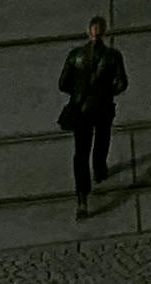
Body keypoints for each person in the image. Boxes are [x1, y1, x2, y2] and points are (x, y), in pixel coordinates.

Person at [58, 15, 127, 213]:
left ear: (88, 32)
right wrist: (105, 93)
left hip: (81, 110)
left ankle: (82, 196)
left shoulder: (75, 55)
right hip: (103, 107)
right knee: (102, 139)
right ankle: (99, 169)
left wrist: (78, 93)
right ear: (104, 33)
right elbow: (122, 83)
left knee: (81, 152)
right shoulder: (113, 56)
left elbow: (63, 84)